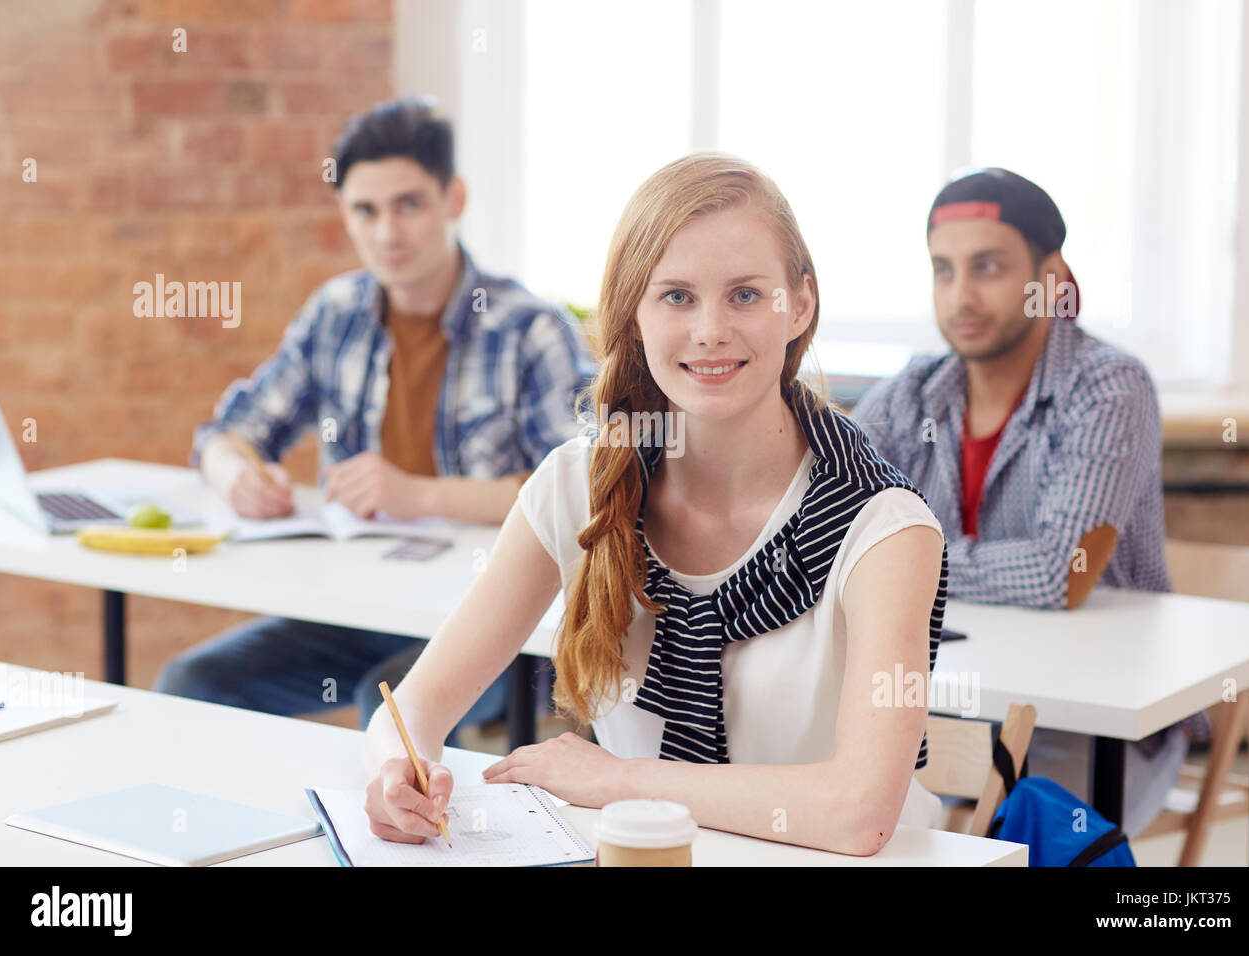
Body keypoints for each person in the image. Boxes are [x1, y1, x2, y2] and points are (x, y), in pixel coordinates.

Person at [361, 153, 950, 856]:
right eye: (676, 296)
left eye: (744, 295)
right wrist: (397, 772)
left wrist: (620, 779)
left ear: (801, 305)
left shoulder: (886, 530)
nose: (709, 330)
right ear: (633, 315)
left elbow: (861, 815)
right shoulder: (575, 487)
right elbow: (412, 711)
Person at [155, 98, 592, 742]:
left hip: (496, 623)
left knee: (386, 709)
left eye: (409, 204)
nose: (388, 232)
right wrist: (236, 475)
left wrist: (419, 495)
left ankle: (373, 839)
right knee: (193, 686)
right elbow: (232, 431)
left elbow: (587, 494)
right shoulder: (337, 313)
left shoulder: (531, 329)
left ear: (455, 199)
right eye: (366, 210)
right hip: (359, 606)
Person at [850, 167, 1196, 835]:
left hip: (1095, 723)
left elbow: (1057, 573)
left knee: (1021, 838)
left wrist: (908, 560)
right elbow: (831, 520)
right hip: (952, 707)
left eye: (989, 267)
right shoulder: (918, 389)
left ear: (1052, 277)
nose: (962, 296)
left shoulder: (1109, 386)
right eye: (943, 271)